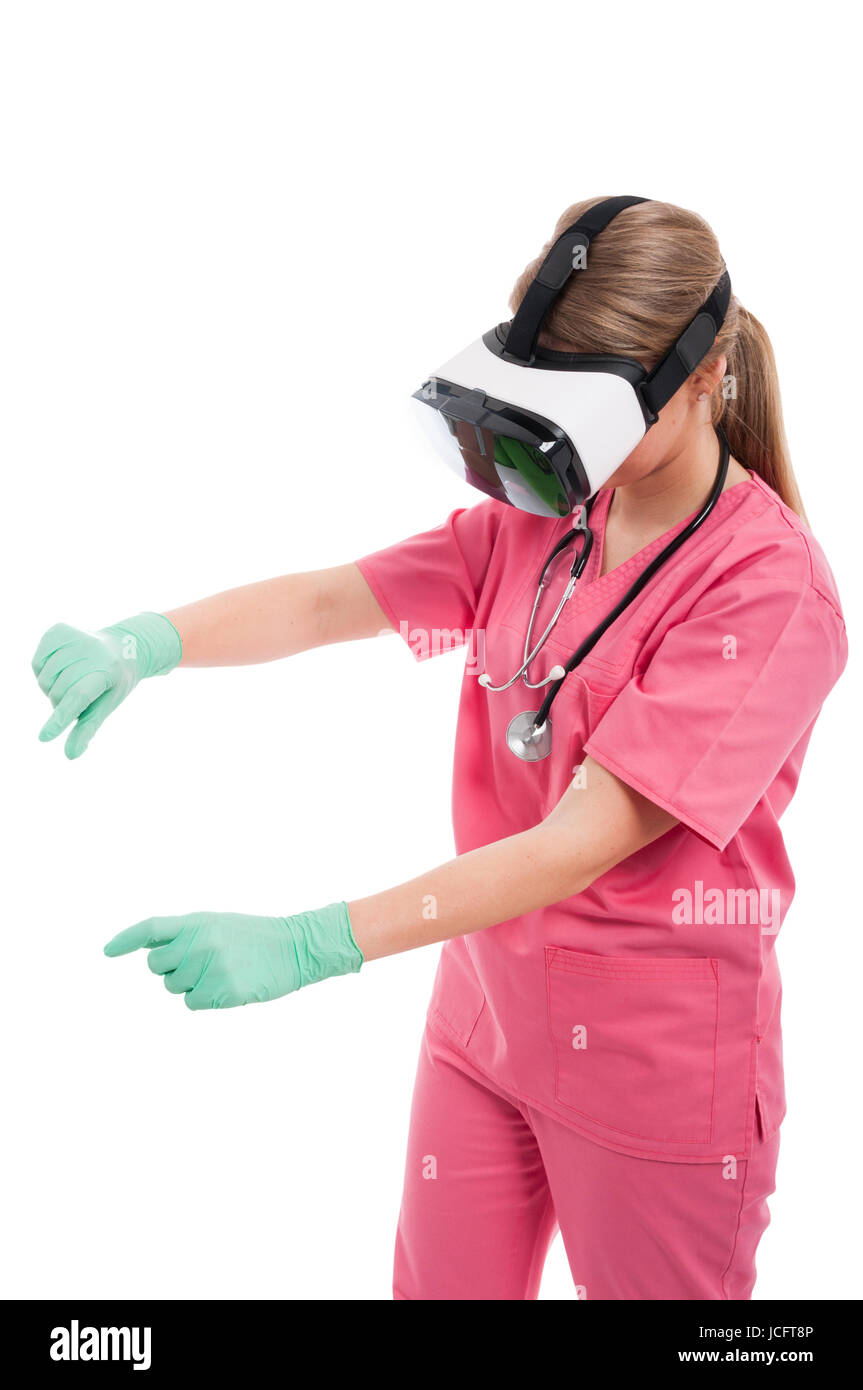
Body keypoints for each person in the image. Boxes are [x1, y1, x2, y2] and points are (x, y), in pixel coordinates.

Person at [31, 197, 847, 1300]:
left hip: (651, 1067)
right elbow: (335, 601)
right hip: (485, 1016)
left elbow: (577, 843)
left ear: (702, 378)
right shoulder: (554, 505)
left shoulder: (767, 591)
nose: (573, 446)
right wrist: (150, 638)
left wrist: (316, 941)